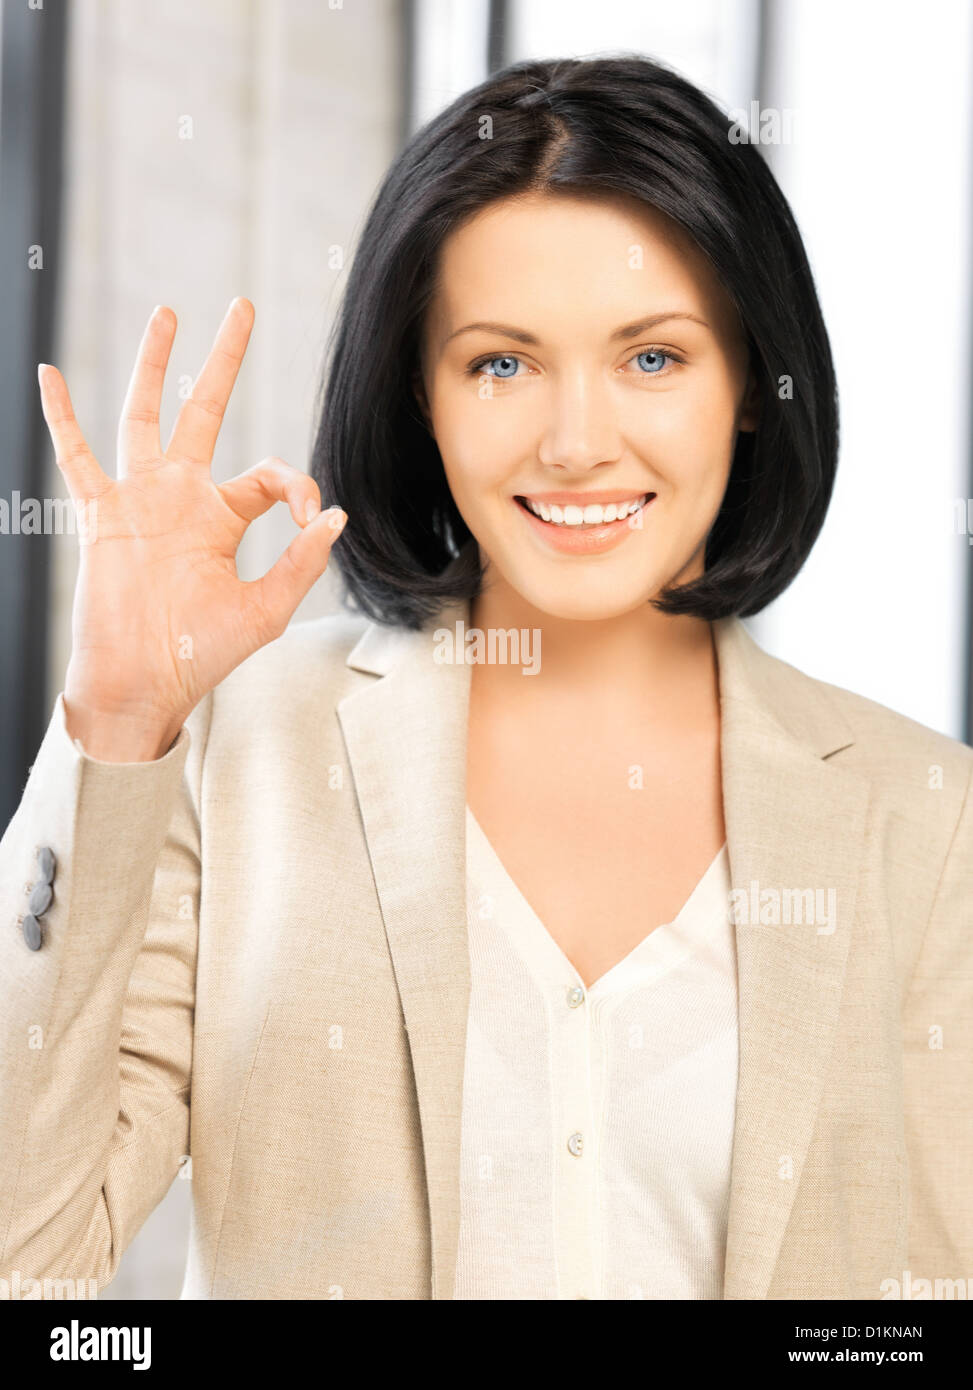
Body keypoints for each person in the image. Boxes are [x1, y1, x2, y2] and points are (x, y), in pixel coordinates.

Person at [1, 54, 970, 1302]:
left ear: (748, 385)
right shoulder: (238, 750)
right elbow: (29, 1258)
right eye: (500, 363)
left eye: (654, 359)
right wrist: (118, 723)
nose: (574, 443)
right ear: (422, 392)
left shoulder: (925, 820)